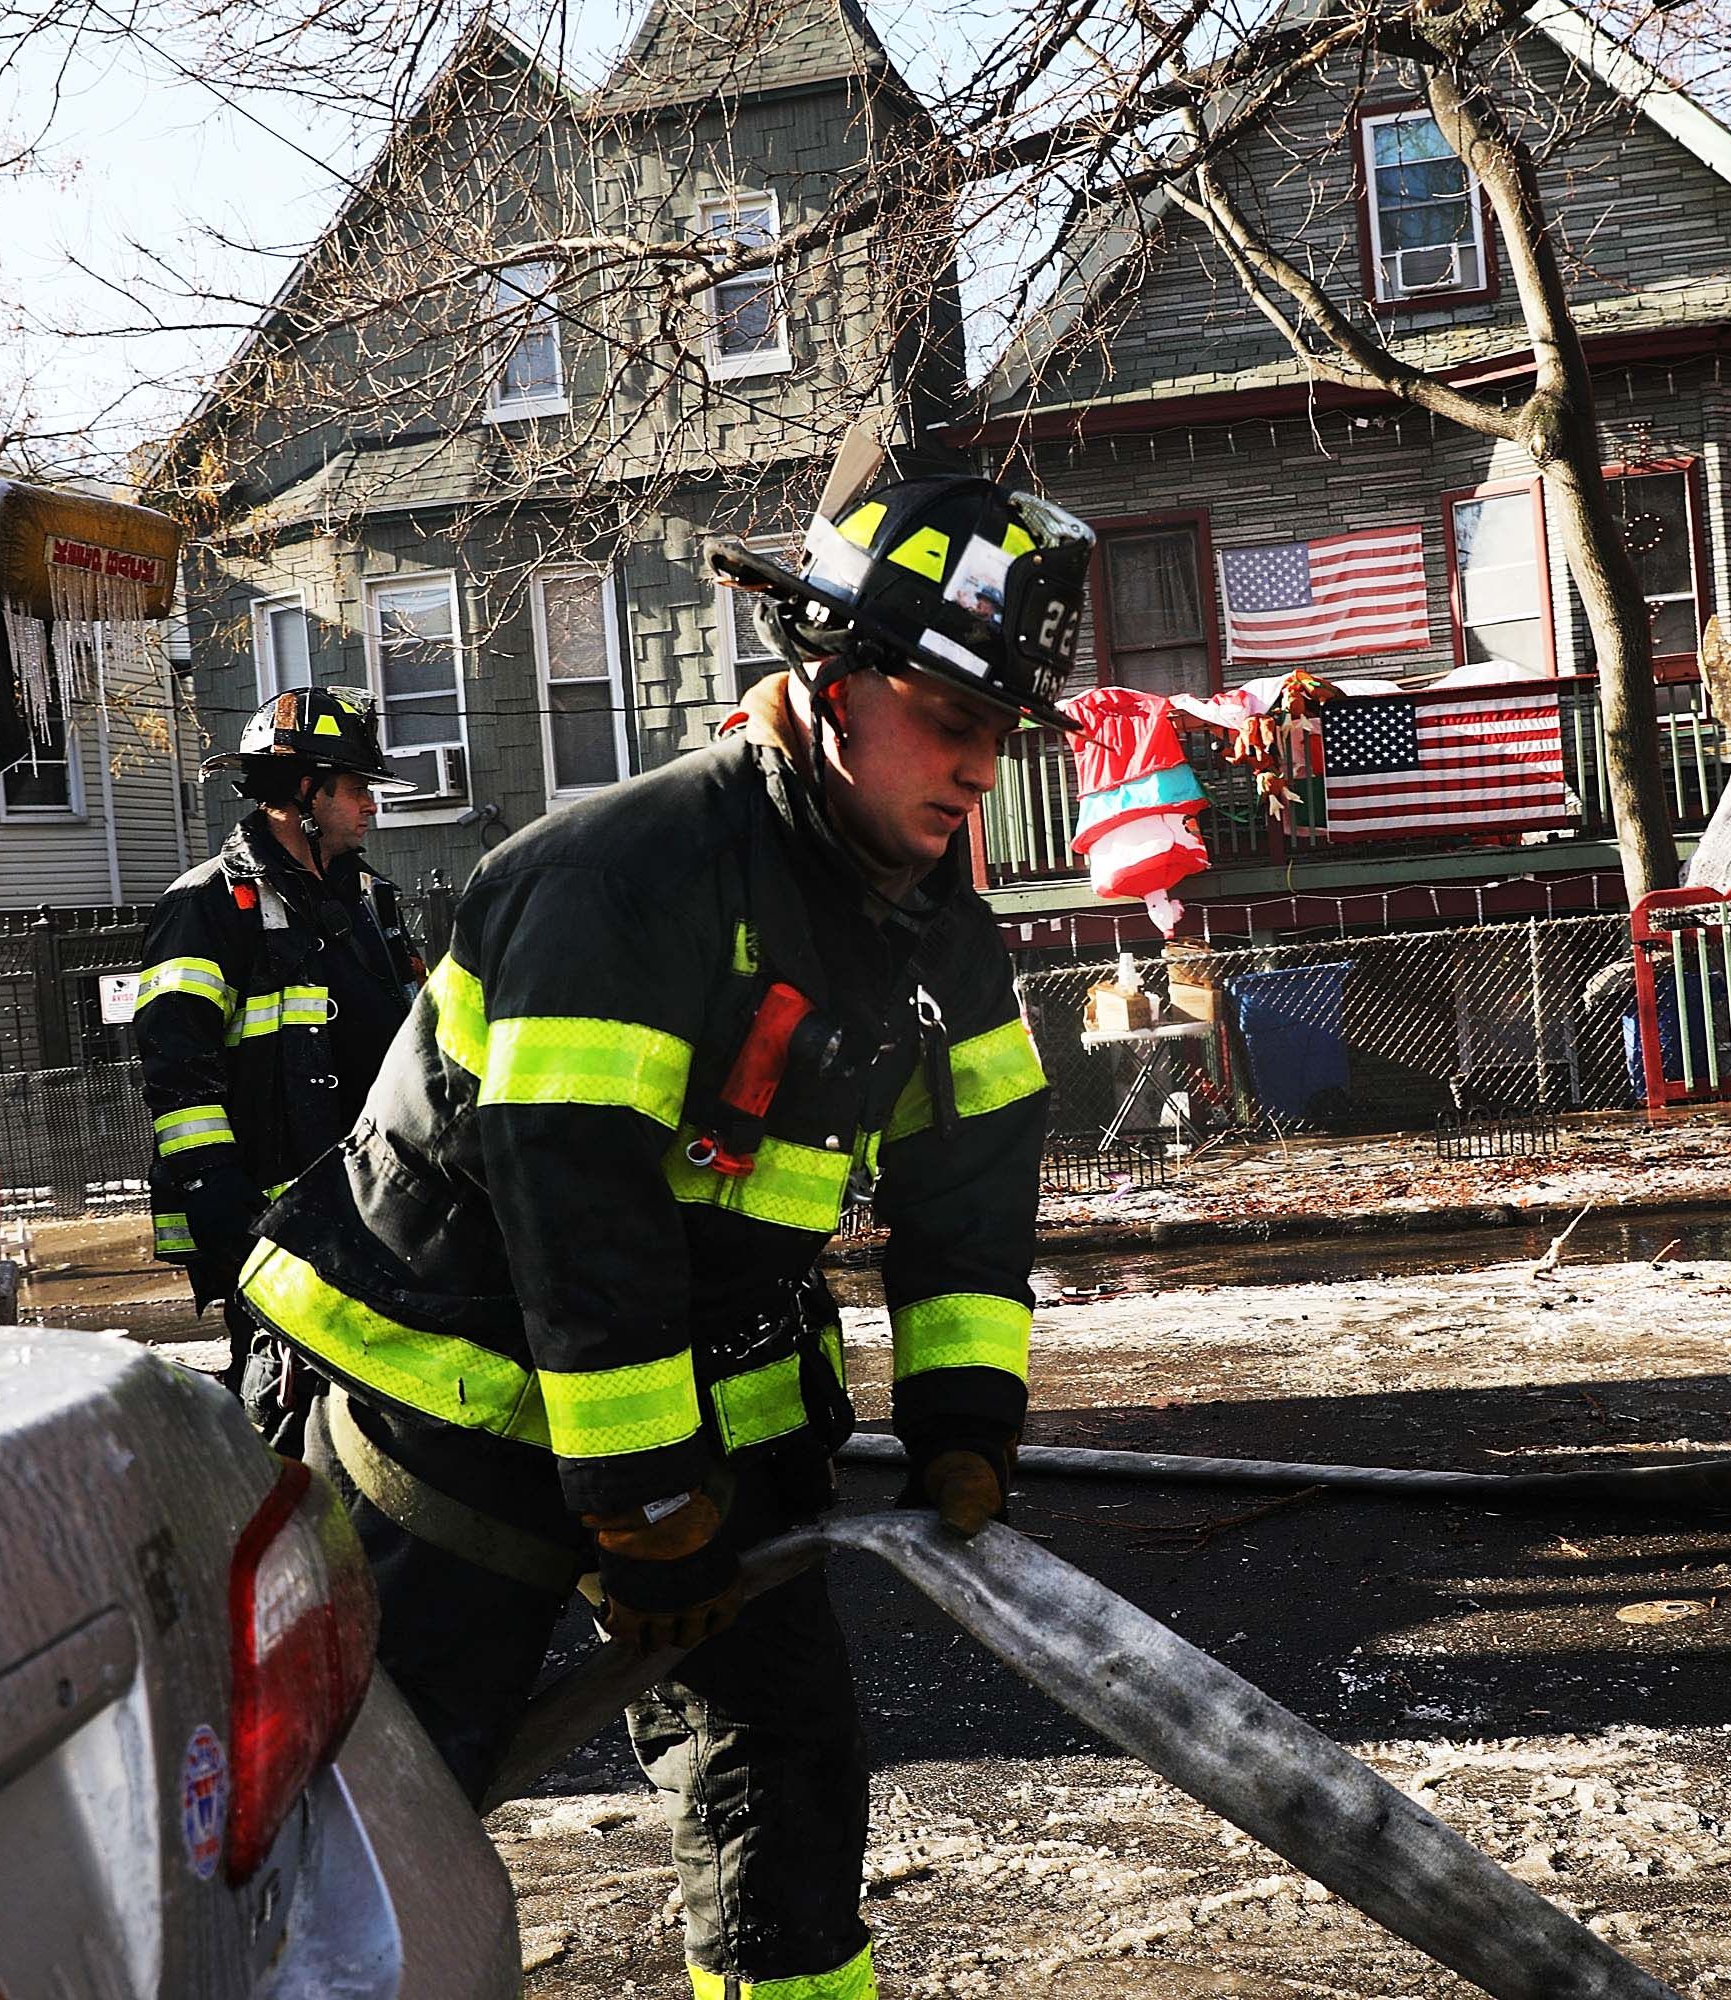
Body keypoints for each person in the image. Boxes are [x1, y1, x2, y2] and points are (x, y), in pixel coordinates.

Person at [232, 438, 1089, 2000]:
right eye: (951, 721)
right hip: (450, 1403)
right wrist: (640, 1493)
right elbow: (578, 1196)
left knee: (788, 1775)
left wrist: (967, 1410)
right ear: (834, 680)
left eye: (1000, 733)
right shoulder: (622, 874)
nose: (980, 768)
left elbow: (975, 1174)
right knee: (367, 1818)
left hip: (707, 1404)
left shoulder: (935, 930)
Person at [135, 685, 421, 1396]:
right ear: (303, 791)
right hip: (265, 1218)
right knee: (283, 1399)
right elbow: (176, 1068)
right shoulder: (206, 907)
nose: (370, 806)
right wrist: (219, 1193)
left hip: (371, 1207)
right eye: (356, 789)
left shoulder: (369, 901)